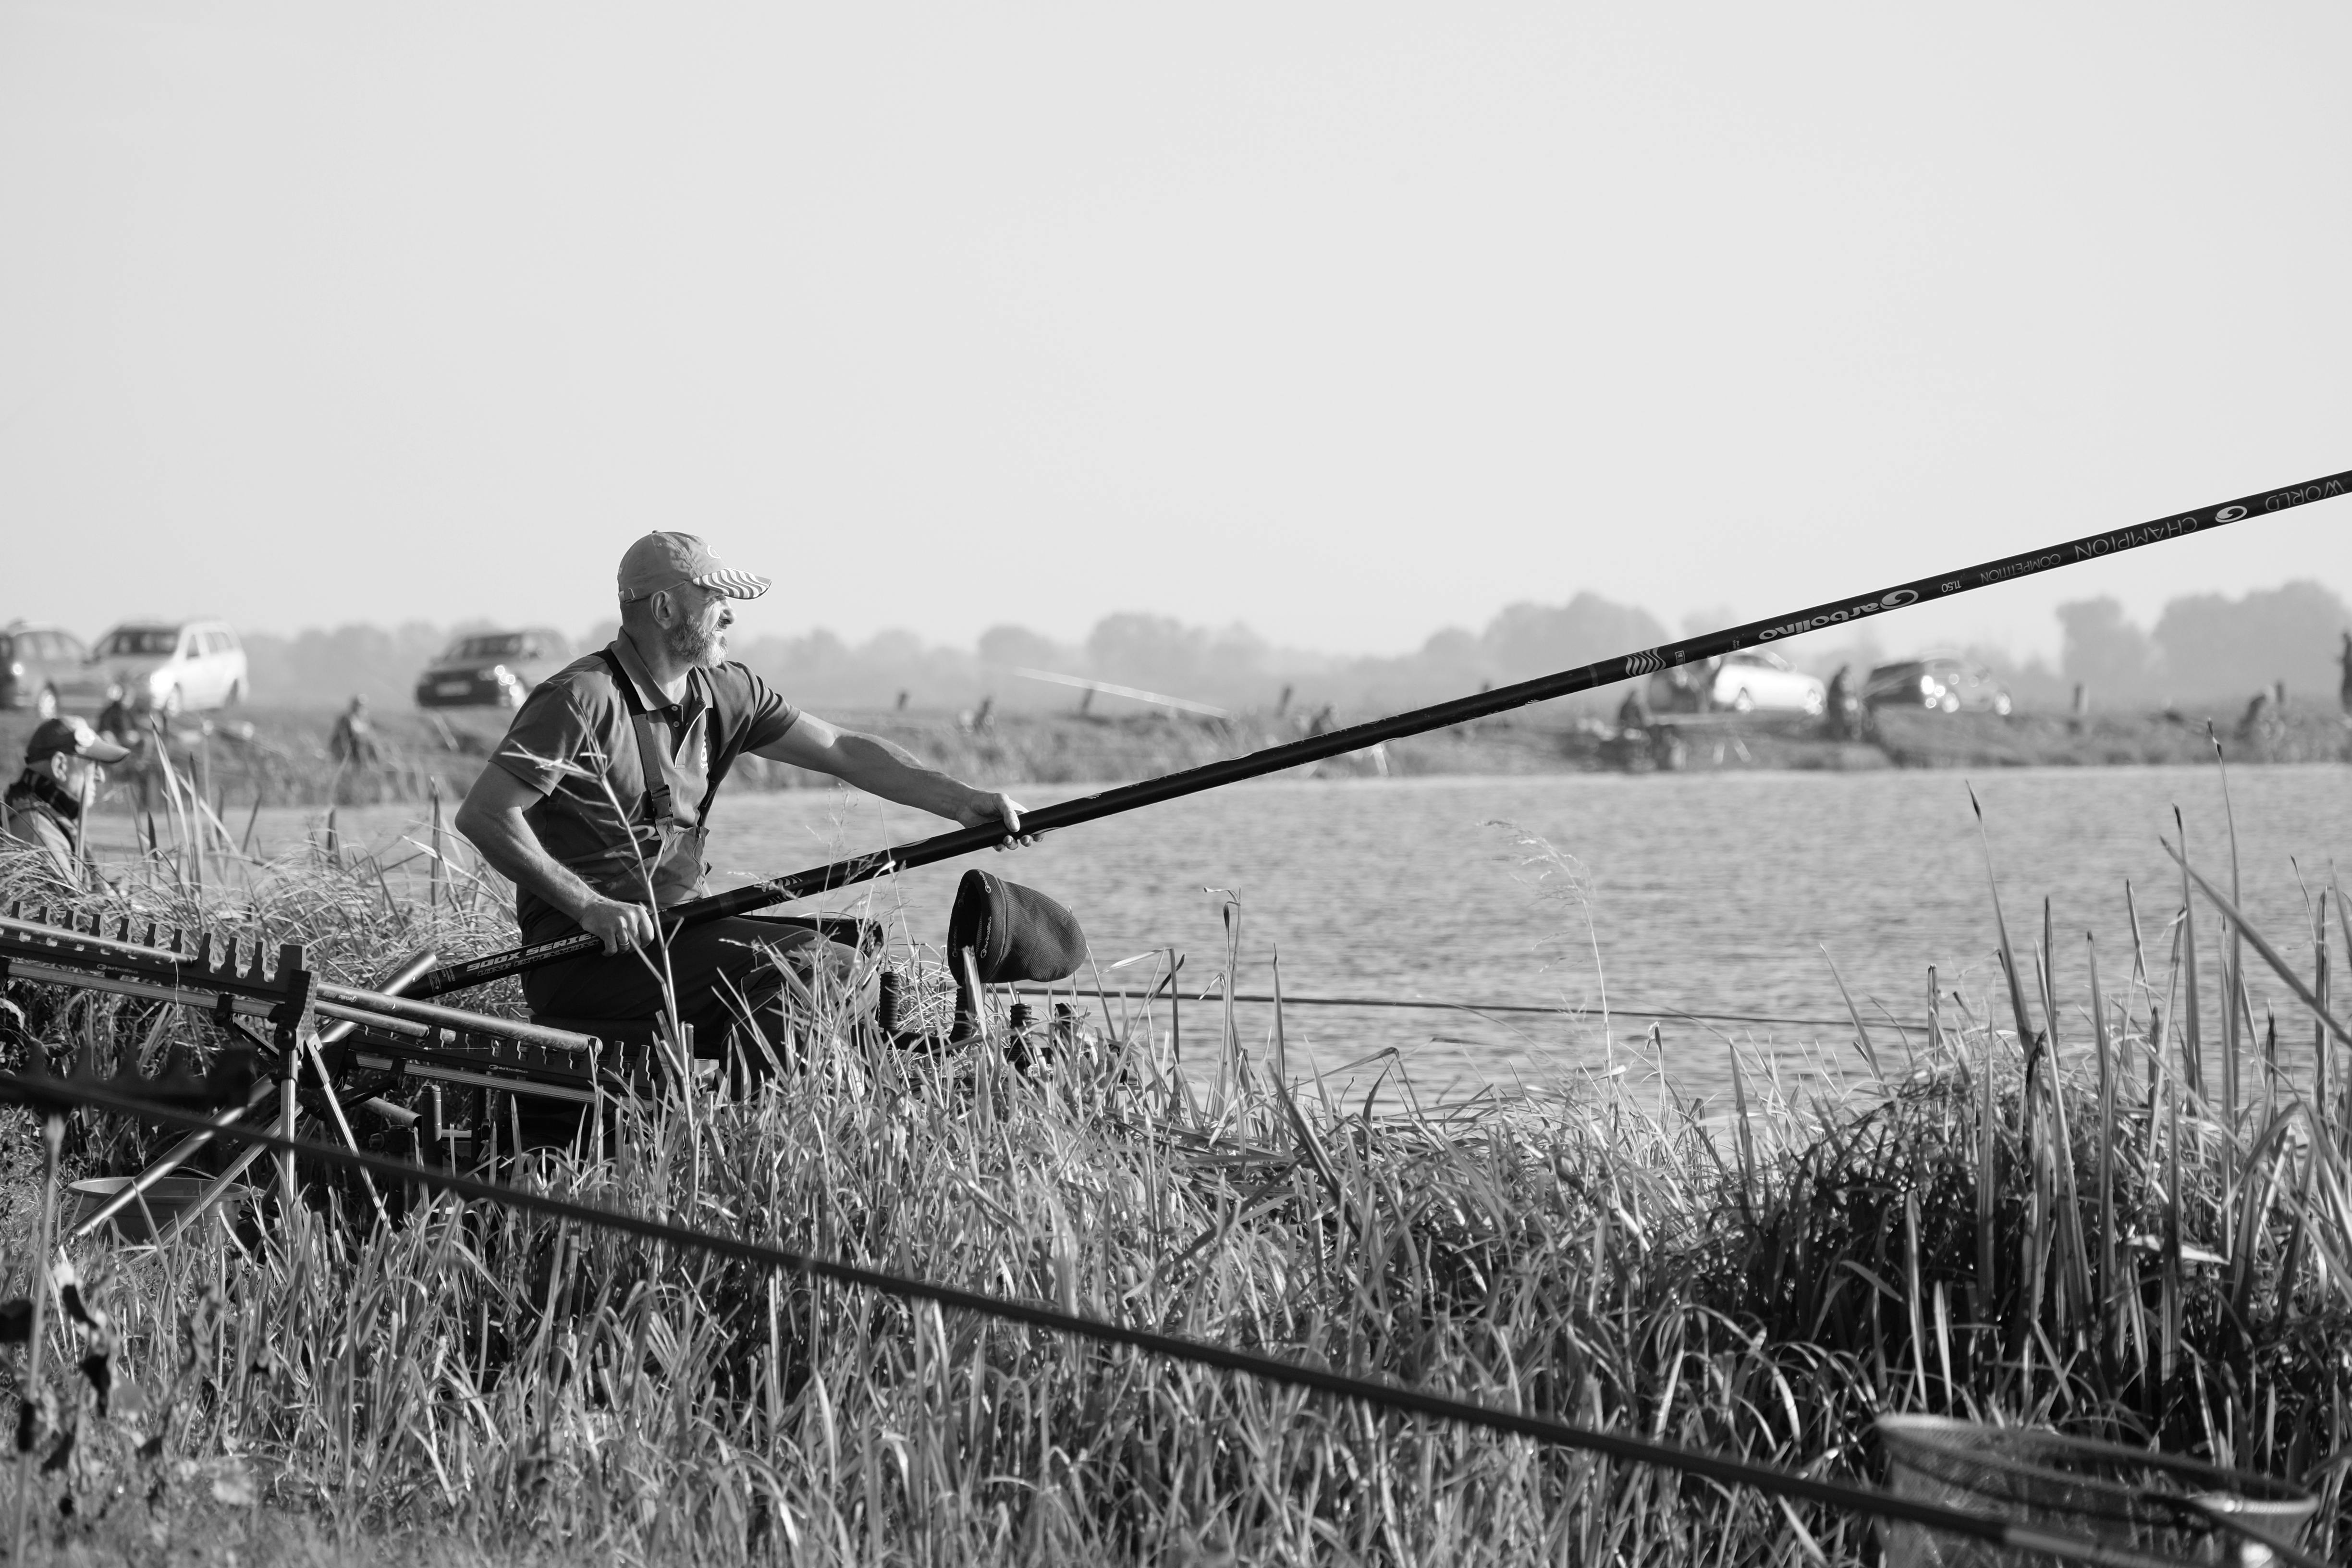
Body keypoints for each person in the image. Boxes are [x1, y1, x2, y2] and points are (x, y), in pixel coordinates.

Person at [455, 531, 1028, 1069]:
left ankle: (818, 1100)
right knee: (818, 966)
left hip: (678, 932)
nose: (730, 613)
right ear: (664, 610)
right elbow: (485, 814)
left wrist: (961, 802)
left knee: (852, 950)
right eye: (715, 599)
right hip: (581, 956)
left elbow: (842, 750)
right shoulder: (578, 699)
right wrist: (589, 907)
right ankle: (752, 1124)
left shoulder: (726, 689)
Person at [2, 717, 130, 886]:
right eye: (93, 764)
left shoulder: (50, 815)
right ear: (60, 766)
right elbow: (66, 902)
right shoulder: (36, 828)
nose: (101, 777)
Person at [329, 695, 381, 768]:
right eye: (359, 705)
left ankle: (378, 766)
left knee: (373, 744)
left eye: (362, 706)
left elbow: (369, 734)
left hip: (358, 747)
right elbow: (344, 736)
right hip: (347, 748)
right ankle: (362, 767)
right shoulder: (346, 719)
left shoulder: (364, 720)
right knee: (361, 744)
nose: (360, 708)